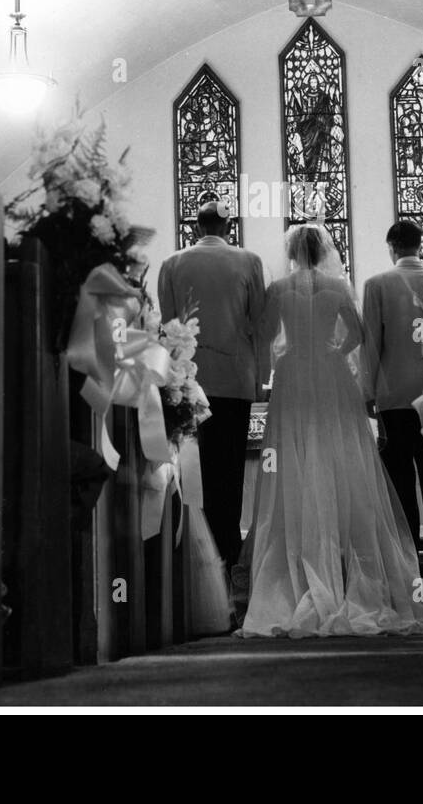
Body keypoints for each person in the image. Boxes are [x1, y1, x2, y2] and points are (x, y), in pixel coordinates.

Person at [238, 223, 423, 637]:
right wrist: (334, 351)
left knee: (298, 452)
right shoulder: (338, 286)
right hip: (331, 374)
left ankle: (302, 554)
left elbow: (263, 335)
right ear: (324, 251)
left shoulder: (279, 289)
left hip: (294, 372)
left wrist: (277, 357)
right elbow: (357, 334)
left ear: (294, 252)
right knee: (340, 452)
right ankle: (348, 554)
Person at [158, 200, 266, 572]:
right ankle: (229, 550)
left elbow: (169, 328)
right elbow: (259, 324)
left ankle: (200, 549)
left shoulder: (173, 263)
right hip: (236, 378)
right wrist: (260, 377)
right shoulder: (249, 261)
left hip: (190, 380)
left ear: (196, 227)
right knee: (231, 466)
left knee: (195, 466)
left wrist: (171, 378)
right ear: (228, 227)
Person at [362, 220, 423, 561]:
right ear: (420, 243)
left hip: (393, 396)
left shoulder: (377, 284)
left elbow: (371, 344)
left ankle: (407, 554)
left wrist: (367, 394)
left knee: (398, 480)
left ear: (391, 247)